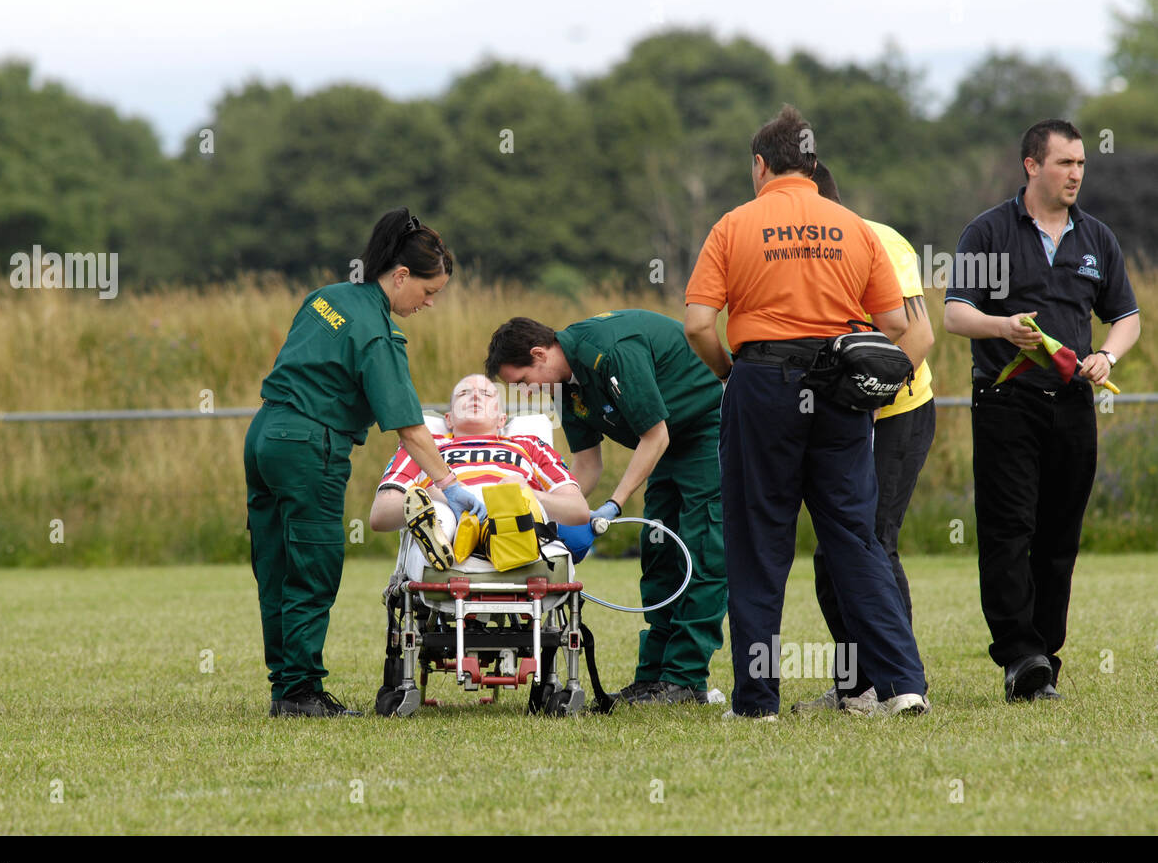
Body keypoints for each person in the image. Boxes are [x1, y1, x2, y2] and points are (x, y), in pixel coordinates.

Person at [683, 105, 929, 720]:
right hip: (841, 387)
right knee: (855, 536)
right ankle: (902, 686)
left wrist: (732, 374)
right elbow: (899, 325)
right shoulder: (853, 226)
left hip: (762, 382)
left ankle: (757, 701)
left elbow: (696, 324)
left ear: (760, 164)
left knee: (759, 542)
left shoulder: (734, 224)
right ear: (814, 164)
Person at [245, 208, 486, 719]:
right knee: (313, 566)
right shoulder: (379, 335)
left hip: (265, 434)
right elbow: (410, 427)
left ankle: (284, 684)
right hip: (311, 446)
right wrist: (449, 482)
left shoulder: (326, 297)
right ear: (401, 276)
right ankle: (300, 691)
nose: (429, 303)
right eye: (428, 291)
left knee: (275, 564)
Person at [943, 119, 1140, 703]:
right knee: (1009, 530)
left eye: (1081, 163)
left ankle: (1044, 654)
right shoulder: (987, 232)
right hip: (1006, 402)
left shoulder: (1097, 238)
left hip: (1075, 405)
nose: (1076, 173)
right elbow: (955, 314)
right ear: (1032, 165)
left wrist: (1107, 354)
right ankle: (1019, 655)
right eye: (1065, 163)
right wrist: (1002, 325)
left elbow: (1126, 318)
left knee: (1059, 534)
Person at [485, 311, 727, 705]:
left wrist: (614, 505)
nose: (525, 393)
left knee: (701, 550)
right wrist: (552, 510)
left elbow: (655, 434)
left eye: (523, 382)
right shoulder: (562, 384)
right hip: (668, 445)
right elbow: (586, 464)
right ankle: (653, 678)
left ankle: (685, 679)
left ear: (539, 354)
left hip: (708, 428)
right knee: (659, 551)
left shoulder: (608, 352)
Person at [795, 162, 938, 714]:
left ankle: (900, 682)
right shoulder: (799, 249)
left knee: (870, 543)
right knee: (833, 554)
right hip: (846, 418)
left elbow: (918, 334)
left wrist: (868, 405)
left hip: (895, 413)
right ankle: (858, 685)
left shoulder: (877, 239)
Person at [369, 373, 591, 579]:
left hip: (511, 509)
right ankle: (441, 536)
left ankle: (490, 534)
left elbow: (578, 511)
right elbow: (380, 515)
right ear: (449, 418)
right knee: (438, 512)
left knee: (518, 506)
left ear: (502, 419)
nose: (475, 395)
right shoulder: (422, 446)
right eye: (463, 393)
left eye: (486, 394)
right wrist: (433, 496)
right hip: (450, 513)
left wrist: (531, 493)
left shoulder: (531, 445)